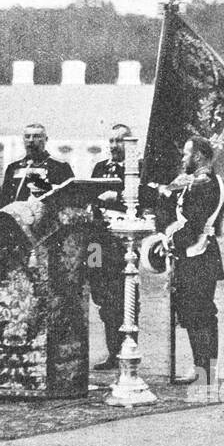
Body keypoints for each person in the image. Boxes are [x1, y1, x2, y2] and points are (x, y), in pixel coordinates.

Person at [157, 136, 224, 383]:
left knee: (200, 313)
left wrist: (168, 241)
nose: (183, 158)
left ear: (198, 156)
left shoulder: (202, 183)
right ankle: (203, 368)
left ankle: (205, 370)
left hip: (198, 253)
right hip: (197, 254)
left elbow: (194, 224)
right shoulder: (201, 180)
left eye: (186, 154)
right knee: (195, 313)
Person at [88, 124, 132, 370]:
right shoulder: (100, 168)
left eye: (120, 141)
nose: (114, 146)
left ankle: (125, 350)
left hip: (121, 243)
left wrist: (118, 199)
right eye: (112, 141)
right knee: (100, 293)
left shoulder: (137, 170)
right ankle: (112, 351)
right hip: (96, 243)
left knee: (124, 295)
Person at [0, 123, 74, 204]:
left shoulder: (60, 167)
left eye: (36, 136)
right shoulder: (13, 167)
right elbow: (5, 199)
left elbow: (70, 199)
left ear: (46, 139)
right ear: (23, 140)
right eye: (27, 136)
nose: (31, 140)